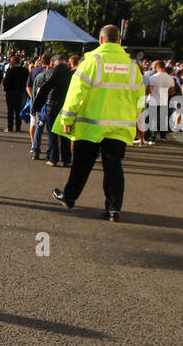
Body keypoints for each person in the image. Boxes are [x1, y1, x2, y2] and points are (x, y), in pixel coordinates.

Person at [50, 25, 144, 220]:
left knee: (82, 164)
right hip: (119, 126)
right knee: (113, 166)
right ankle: (113, 209)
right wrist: (135, 118)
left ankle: (69, 197)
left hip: (90, 124)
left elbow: (76, 92)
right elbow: (140, 97)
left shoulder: (92, 61)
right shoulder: (133, 67)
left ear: (101, 40)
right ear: (119, 41)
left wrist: (67, 118)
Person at [32, 53, 73, 167]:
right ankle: (67, 159)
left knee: (52, 133)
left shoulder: (50, 73)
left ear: (54, 62)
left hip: (51, 105)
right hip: (66, 105)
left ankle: (53, 158)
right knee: (65, 134)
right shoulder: (72, 73)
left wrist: (36, 106)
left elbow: (43, 89)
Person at [28, 54, 52, 159]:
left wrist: (33, 107)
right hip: (51, 105)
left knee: (38, 128)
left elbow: (33, 92)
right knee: (51, 130)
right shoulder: (53, 75)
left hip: (39, 106)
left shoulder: (37, 74)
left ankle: (35, 150)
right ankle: (51, 152)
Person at [3, 53, 29, 132]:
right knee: (18, 110)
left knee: (10, 110)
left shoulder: (10, 70)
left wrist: (6, 89)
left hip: (10, 92)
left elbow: (5, 81)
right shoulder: (25, 70)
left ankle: (10, 127)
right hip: (21, 92)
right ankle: (18, 127)